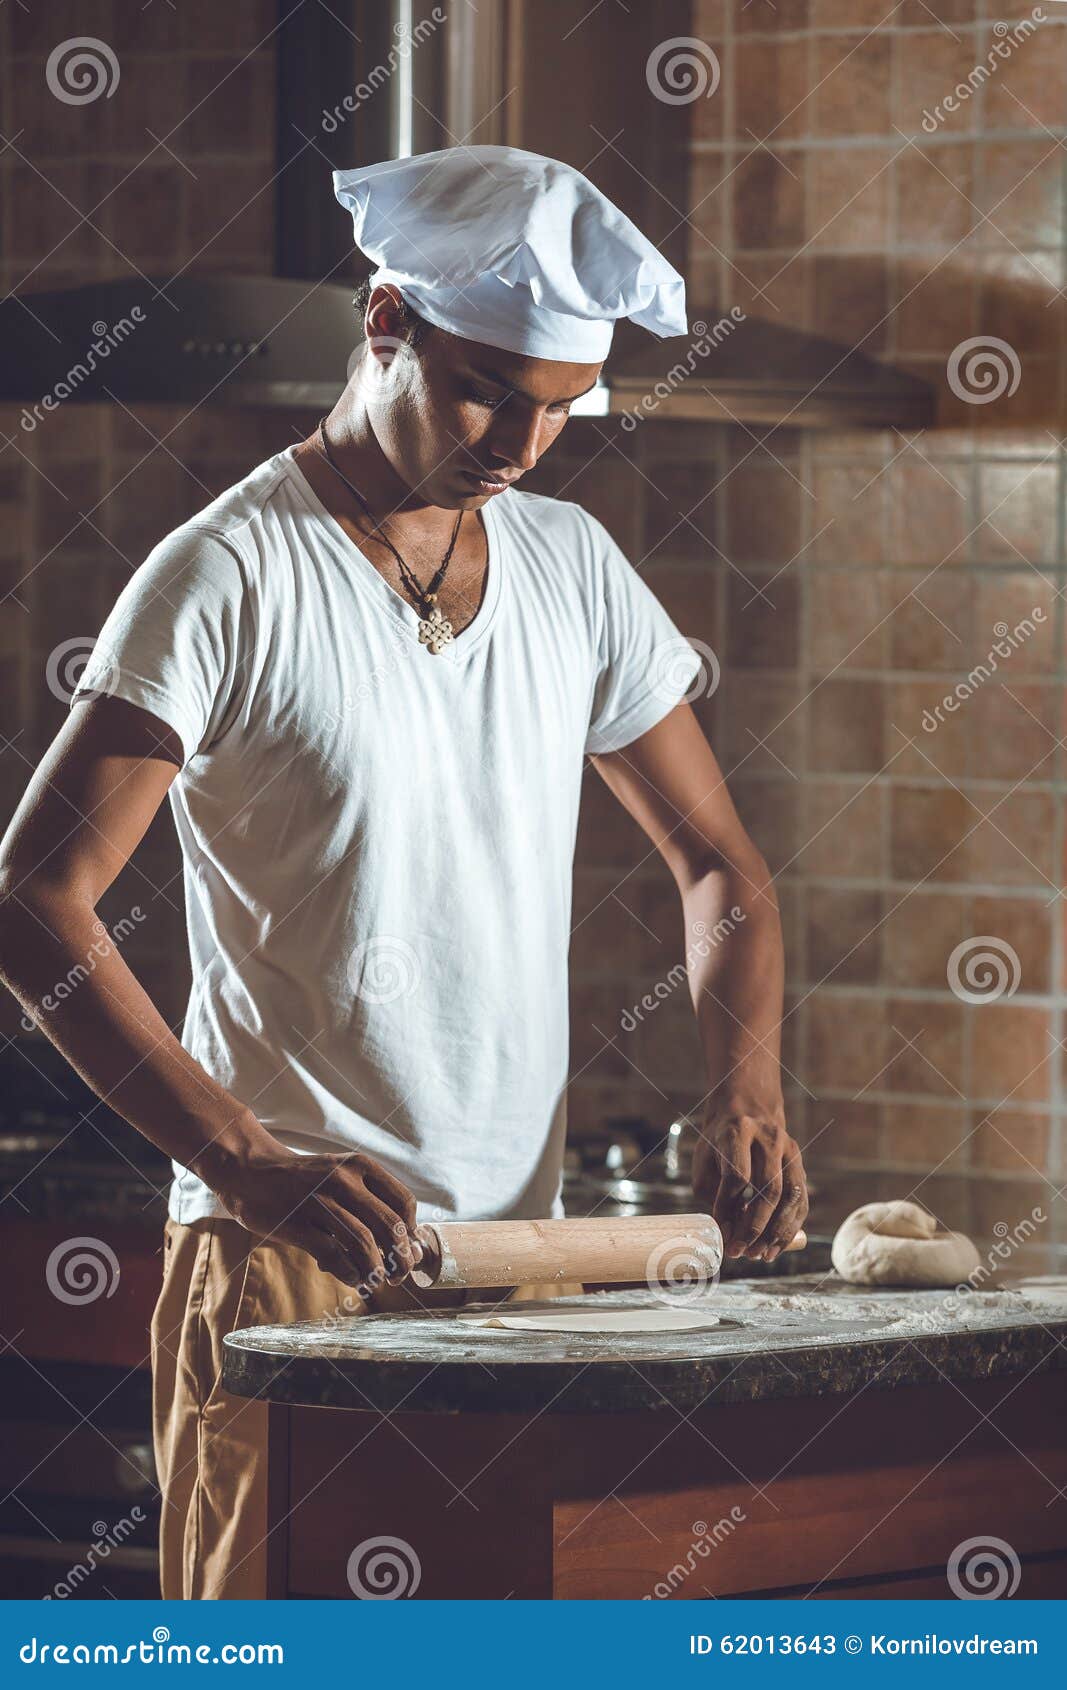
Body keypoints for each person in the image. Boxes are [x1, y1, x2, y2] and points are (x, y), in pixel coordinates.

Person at [0, 146, 807, 1599]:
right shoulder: (227, 574)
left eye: (564, 406)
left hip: (523, 1269)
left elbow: (721, 866)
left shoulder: (572, 566)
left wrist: (745, 1088)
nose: (523, 442)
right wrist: (239, 1158)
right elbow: (31, 903)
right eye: (489, 390)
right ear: (387, 322)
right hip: (286, 1258)